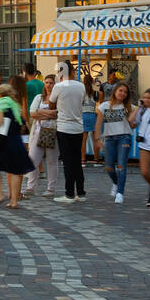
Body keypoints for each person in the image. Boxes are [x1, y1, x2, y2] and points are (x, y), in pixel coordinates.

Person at [0, 82, 35, 209]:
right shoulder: (15, 106)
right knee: (15, 172)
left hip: (2, 142)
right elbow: (23, 124)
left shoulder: (1, 104)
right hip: (16, 142)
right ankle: (14, 201)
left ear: (0, 95)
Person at [47, 63, 88, 203]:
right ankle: (81, 193)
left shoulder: (58, 86)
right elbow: (81, 103)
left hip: (64, 127)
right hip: (78, 127)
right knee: (77, 161)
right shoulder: (81, 86)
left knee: (67, 162)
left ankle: (69, 193)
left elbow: (51, 104)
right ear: (72, 72)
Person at [96, 83, 138, 204]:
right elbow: (98, 124)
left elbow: (133, 125)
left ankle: (120, 192)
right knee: (109, 167)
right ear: (115, 91)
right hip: (109, 139)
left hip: (124, 138)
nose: (122, 93)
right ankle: (116, 182)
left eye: (125, 92)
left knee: (121, 165)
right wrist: (97, 139)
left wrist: (133, 117)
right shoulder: (104, 106)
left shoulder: (129, 107)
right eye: (120, 90)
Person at [24, 73, 59, 198]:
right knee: (32, 159)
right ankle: (30, 186)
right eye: (47, 82)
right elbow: (33, 113)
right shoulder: (39, 97)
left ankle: (51, 188)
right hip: (38, 132)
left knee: (51, 161)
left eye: (51, 82)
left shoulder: (58, 98)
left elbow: (59, 114)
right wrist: (50, 113)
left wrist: (42, 112)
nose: (48, 85)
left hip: (53, 132)